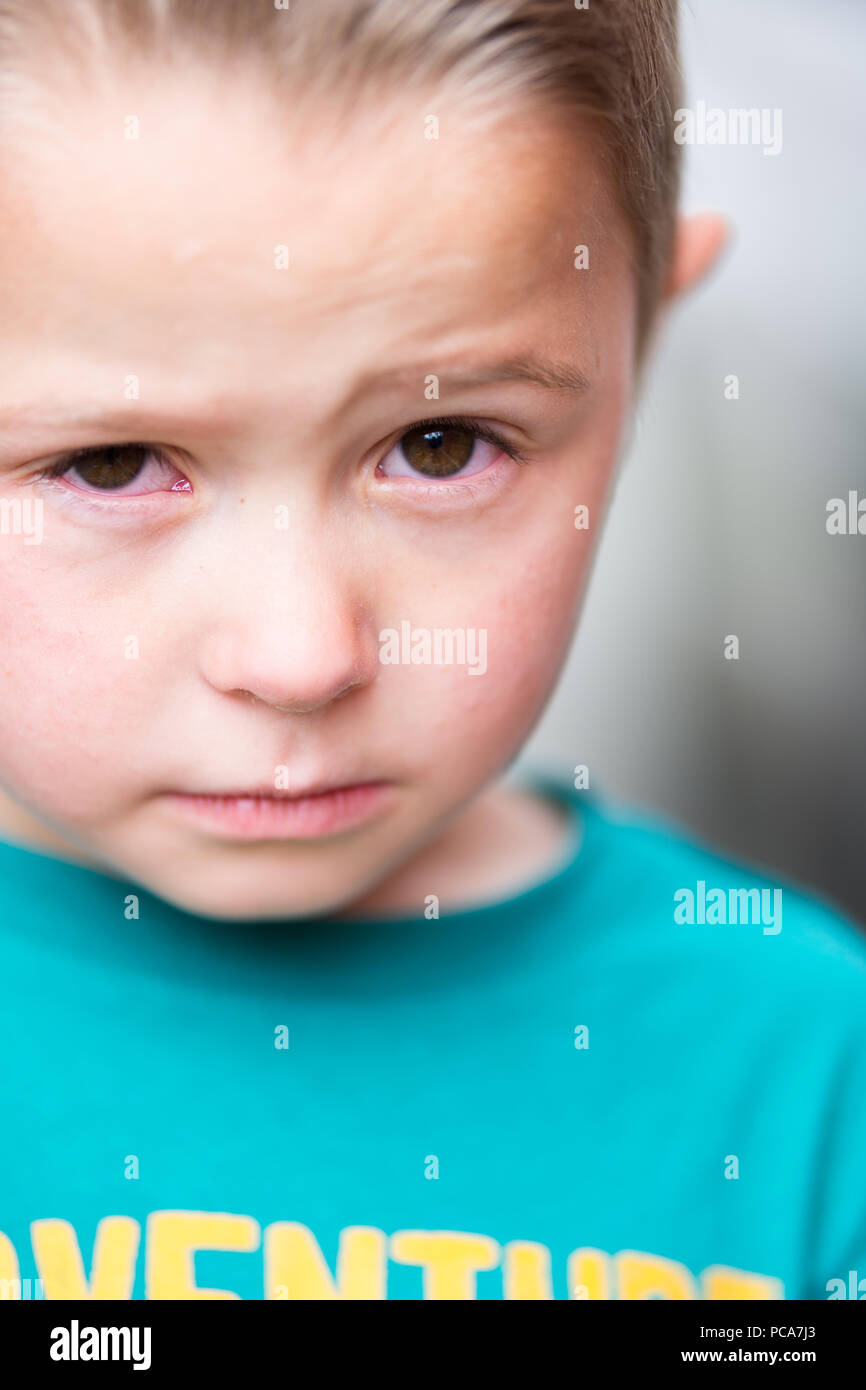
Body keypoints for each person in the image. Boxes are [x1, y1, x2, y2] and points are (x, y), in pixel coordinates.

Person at [0, 0, 861, 1300]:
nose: (300, 656)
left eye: (443, 444)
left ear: (644, 342)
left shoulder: (802, 1078)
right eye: (111, 463)